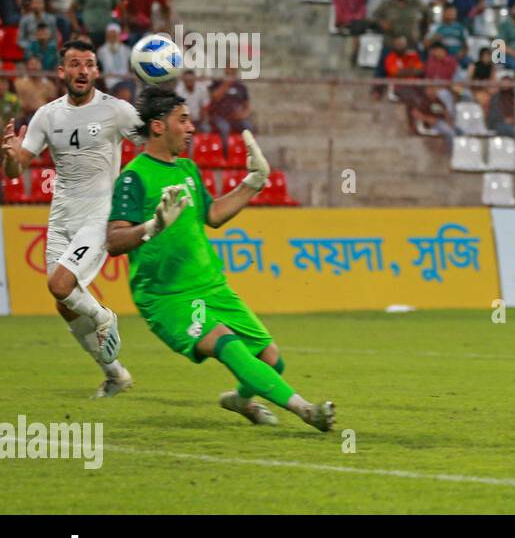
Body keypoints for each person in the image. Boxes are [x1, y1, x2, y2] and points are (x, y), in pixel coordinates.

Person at [105, 87, 334, 431]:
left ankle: (240, 401)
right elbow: (113, 241)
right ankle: (306, 410)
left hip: (211, 285)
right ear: (157, 126)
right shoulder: (133, 177)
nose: (191, 128)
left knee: (271, 359)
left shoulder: (187, 169)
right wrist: (151, 227)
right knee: (226, 343)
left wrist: (254, 182)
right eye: (182, 120)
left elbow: (211, 214)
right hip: (168, 297)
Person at [1, 41, 140, 396]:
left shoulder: (117, 111)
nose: (82, 70)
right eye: (74, 64)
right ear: (62, 72)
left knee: (60, 286)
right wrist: (11, 156)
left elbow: (154, 139)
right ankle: (115, 375)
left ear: (96, 71)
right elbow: (17, 170)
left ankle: (104, 317)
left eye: (89, 64)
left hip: (99, 215)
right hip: (61, 217)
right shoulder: (48, 115)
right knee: (63, 304)